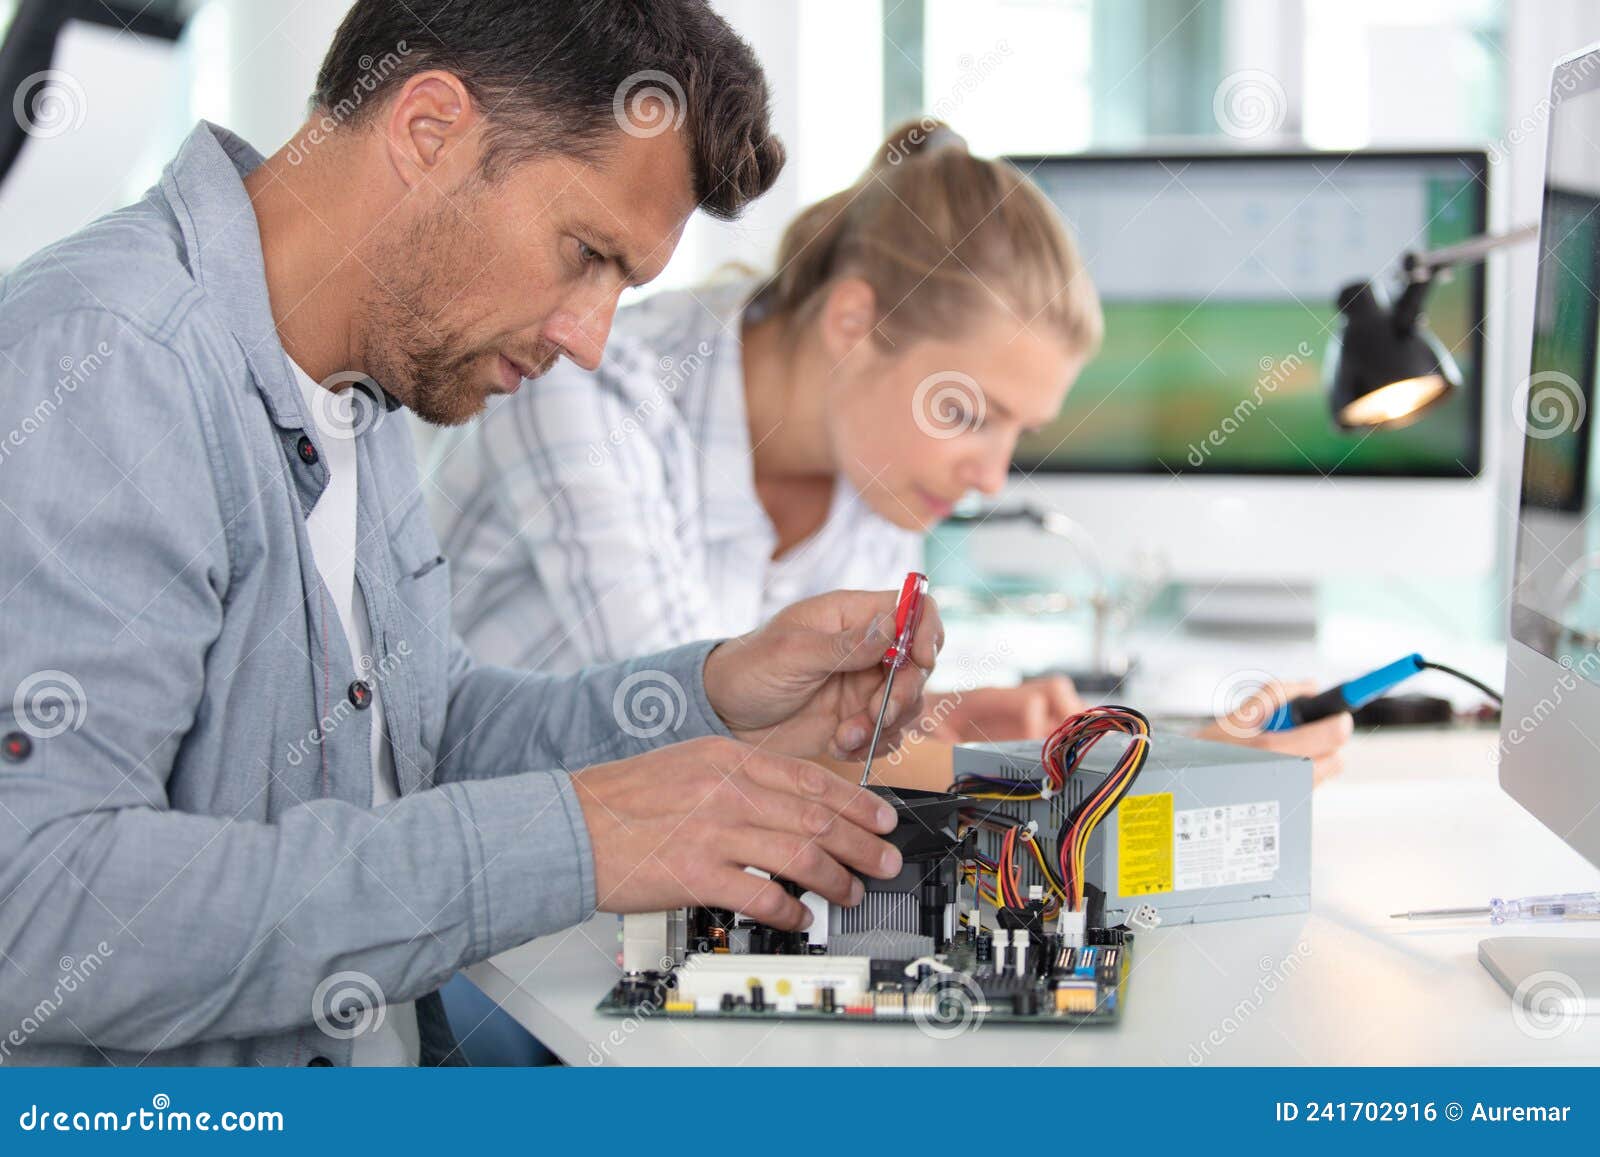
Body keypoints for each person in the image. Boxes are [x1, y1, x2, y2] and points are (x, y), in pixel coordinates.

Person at [0, 0, 942, 1068]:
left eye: (622, 285)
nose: (590, 341)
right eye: (583, 253)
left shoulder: (367, 368)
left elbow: (425, 738)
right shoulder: (112, 364)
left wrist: (716, 694)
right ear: (430, 130)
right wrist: (576, 836)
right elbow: (32, 909)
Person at [430, 124, 1351, 782]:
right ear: (853, 322)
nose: (992, 475)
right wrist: (1163, 775)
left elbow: (836, 742)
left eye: (1017, 432)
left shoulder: (876, 476)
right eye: (968, 412)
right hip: (490, 976)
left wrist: (967, 728)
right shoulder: (586, 392)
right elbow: (687, 748)